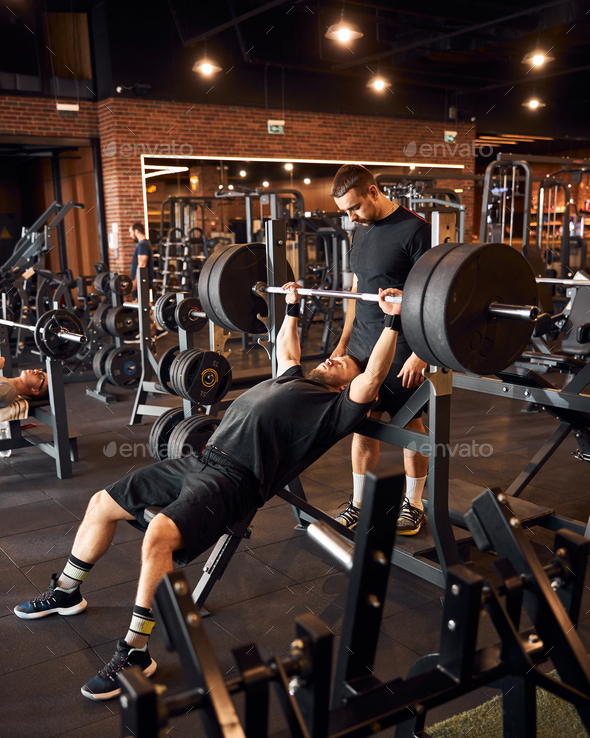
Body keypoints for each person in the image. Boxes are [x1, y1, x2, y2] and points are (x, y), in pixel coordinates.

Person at [13, 283, 402, 701]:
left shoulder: (335, 411)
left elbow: (375, 372)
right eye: (337, 355)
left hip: (233, 482)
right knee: (101, 503)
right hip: (200, 459)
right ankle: (66, 591)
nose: (334, 357)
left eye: (343, 363)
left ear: (357, 387)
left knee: (158, 534)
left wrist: (392, 319)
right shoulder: (294, 379)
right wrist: (292, 305)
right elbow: (288, 350)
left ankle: (135, 652)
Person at [330, 164, 431, 536]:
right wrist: (344, 343)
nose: (351, 216)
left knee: (411, 426)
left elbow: (430, 298)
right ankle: (359, 503)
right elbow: (357, 296)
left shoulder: (416, 230)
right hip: (362, 347)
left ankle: (414, 503)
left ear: (373, 191)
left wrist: (421, 353)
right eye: (345, 211)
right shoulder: (360, 232)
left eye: (354, 207)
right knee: (362, 426)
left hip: (404, 349)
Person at [129, 221, 155, 293]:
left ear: (136, 231)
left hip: (141, 284)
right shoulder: (144, 244)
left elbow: (142, 264)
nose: (130, 235)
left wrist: (136, 283)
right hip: (141, 283)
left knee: (138, 303)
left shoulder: (143, 245)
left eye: (131, 232)